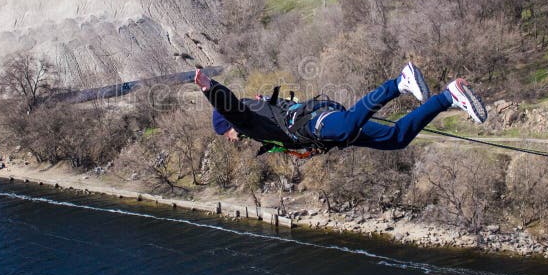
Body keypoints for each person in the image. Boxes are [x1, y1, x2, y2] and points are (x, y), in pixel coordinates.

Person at [195, 62, 486, 158]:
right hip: (321, 131)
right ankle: (448, 97)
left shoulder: (244, 120)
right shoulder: (255, 119)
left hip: (311, 123)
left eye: (227, 133)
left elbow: (230, 107)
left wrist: (211, 90)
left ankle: (400, 82)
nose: (231, 139)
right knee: (396, 139)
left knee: (347, 125)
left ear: (228, 125)